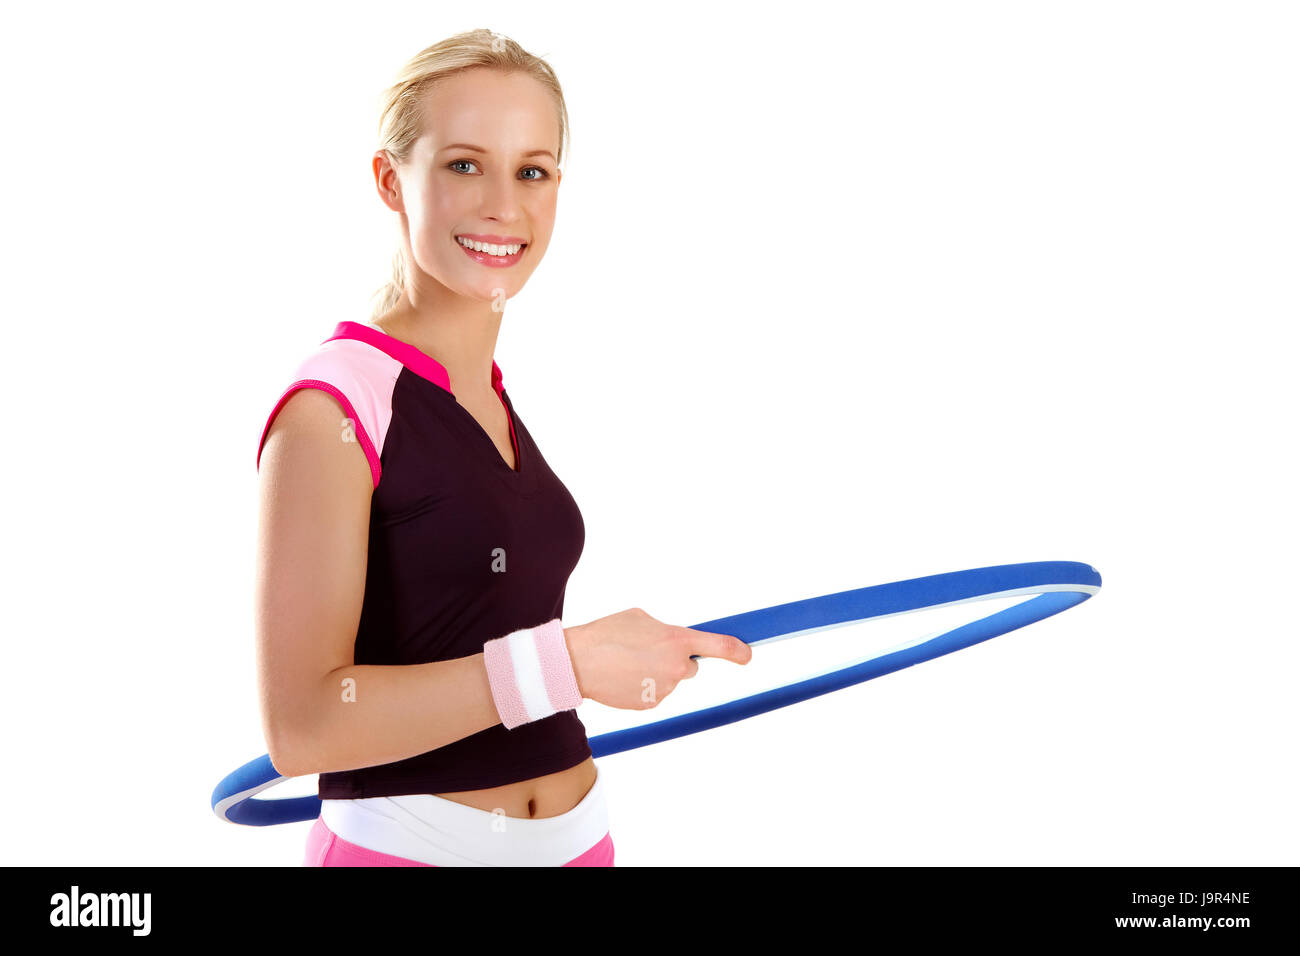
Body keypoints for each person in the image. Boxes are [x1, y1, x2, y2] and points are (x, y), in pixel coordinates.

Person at [253, 28, 752, 867]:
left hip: (581, 842)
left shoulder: (488, 394)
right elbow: (304, 726)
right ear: (390, 179)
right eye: (463, 164)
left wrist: (580, 663)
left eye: (532, 171)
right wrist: (569, 662)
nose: (503, 207)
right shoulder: (334, 404)